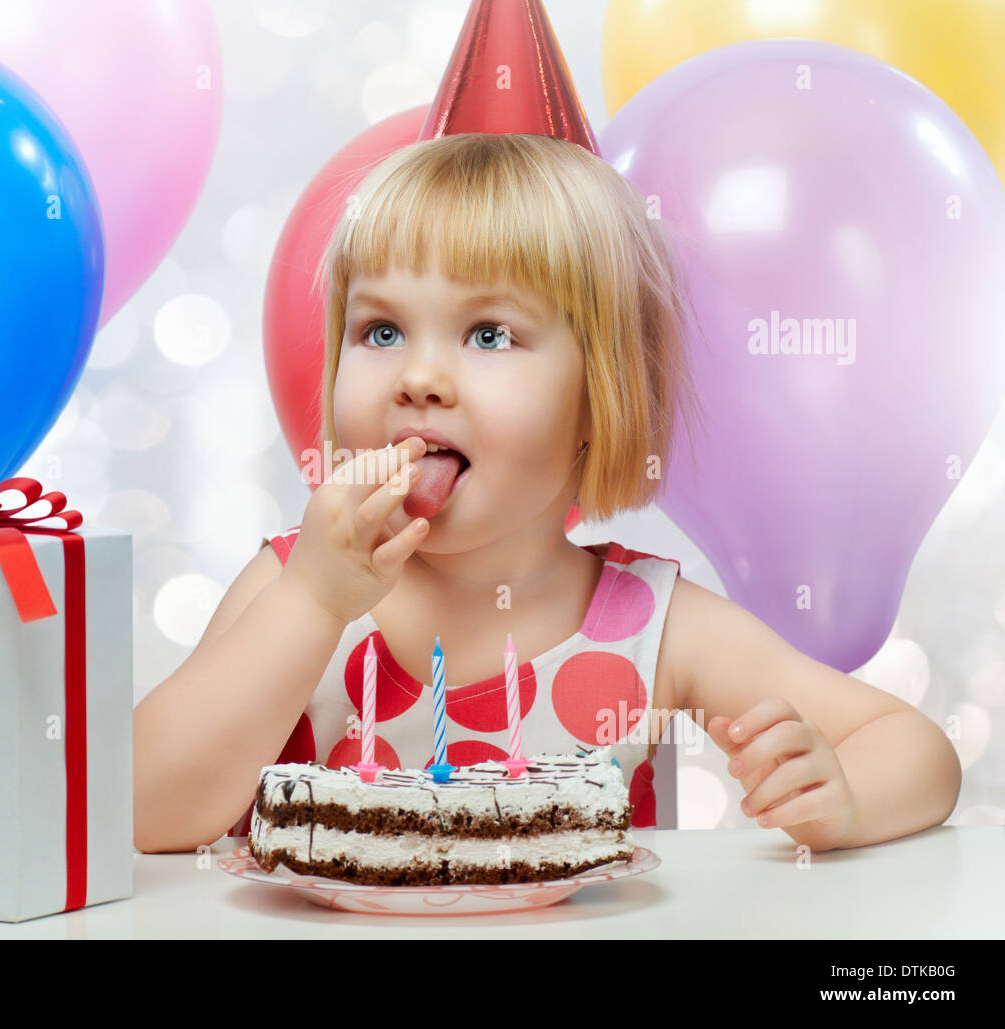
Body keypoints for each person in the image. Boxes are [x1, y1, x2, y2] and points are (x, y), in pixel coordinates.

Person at [132, 132, 961, 855]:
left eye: (489, 333)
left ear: (597, 398)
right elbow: (142, 808)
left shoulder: (656, 627)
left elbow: (916, 748)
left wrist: (842, 800)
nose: (419, 376)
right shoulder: (293, 584)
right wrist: (315, 599)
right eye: (381, 330)